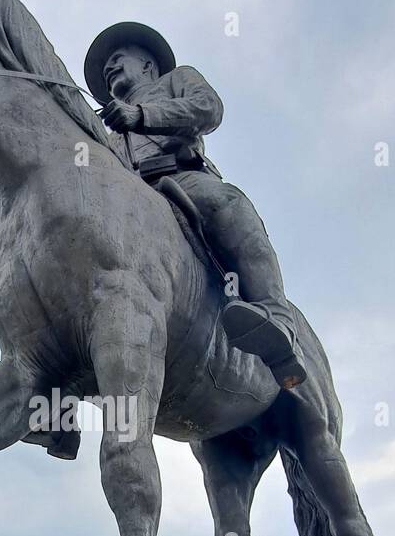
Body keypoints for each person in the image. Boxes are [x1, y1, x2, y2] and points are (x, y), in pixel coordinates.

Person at [84, 21, 306, 388]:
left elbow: (208, 109)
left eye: (118, 59)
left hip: (181, 182)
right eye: (106, 67)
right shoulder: (105, 131)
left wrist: (141, 116)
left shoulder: (176, 81)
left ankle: (276, 318)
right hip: (127, 205)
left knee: (229, 206)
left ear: (147, 65)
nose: (110, 68)